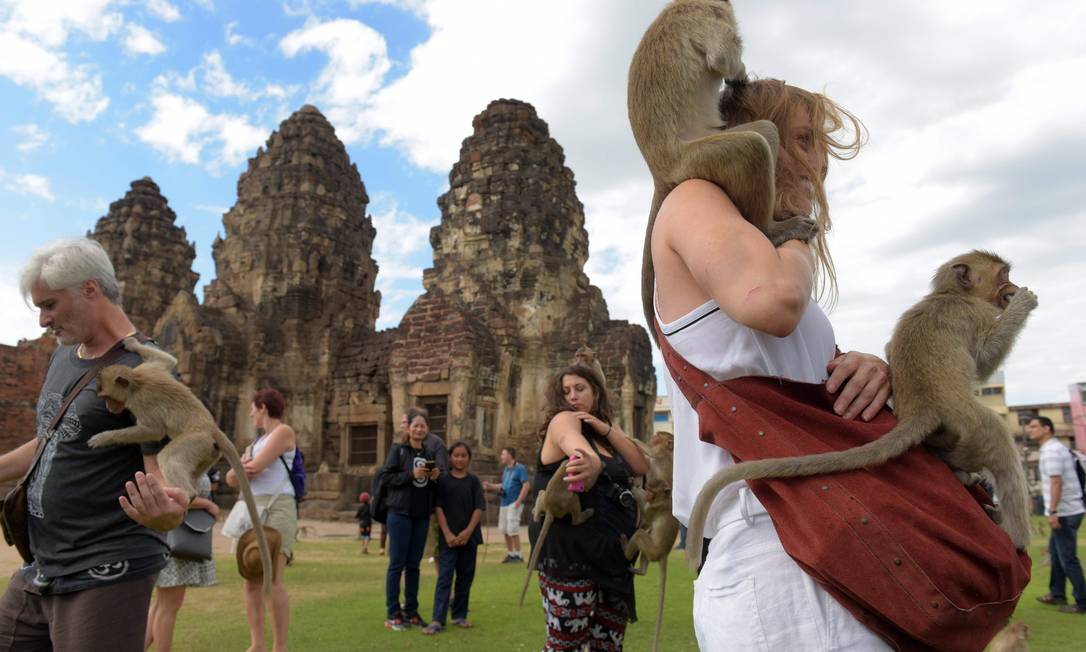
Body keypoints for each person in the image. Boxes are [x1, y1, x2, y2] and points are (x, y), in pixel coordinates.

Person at [649, 79, 899, 649]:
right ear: (754, 141)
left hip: (836, 529)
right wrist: (801, 232)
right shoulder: (692, 198)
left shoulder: (771, 252)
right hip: (768, 536)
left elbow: (793, 366)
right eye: (803, 141)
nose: (819, 164)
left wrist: (869, 372)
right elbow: (771, 302)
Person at [0, 238, 188, 651]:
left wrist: (169, 512)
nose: (43, 321)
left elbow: (164, 475)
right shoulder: (64, 356)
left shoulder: (145, 372)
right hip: (42, 564)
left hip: (106, 570)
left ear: (89, 289)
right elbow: (54, 439)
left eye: (50, 305)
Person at [528, 363, 649, 651]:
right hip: (572, 555)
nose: (572, 396)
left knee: (608, 643)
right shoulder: (563, 420)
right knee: (566, 643)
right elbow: (573, 443)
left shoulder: (604, 433)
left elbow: (640, 465)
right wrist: (589, 460)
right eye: (566, 391)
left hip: (612, 555)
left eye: (580, 388)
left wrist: (606, 428)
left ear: (595, 391)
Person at [225, 388, 298, 652]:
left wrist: (243, 466)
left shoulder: (283, 432)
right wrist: (241, 468)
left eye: (253, 409)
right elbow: (230, 478)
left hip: (277, 506)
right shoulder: (255, 443)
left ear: (263, 407)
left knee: (272, 579)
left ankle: (280, 647)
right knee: (251, 580)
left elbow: (254, 468)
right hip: (252, 508)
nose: (251, 414)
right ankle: (257, 644)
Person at [145, 473, 219, 651]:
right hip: (175, 538)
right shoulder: (176, 462)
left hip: (177, 536)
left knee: (163, 603)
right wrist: (207, 504)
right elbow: (170, 495)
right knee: (169, 605)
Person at [382, 407, 440, 631]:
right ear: (408, 428)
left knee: (414, 565)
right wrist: (409, 475)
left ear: (427, 429)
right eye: (415, 425)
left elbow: (430, 487)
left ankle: (411, 610)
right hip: (399, 513)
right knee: (397, 564)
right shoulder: (398, 451)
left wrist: (435, 478)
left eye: (422, 426)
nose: (419, 429)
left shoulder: (428, 454)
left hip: (420, 514)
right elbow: (386, 478)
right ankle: (393, 612)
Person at [423, 441, 485, 635]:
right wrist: (448, 534)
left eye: (463, 456)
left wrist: (467, 532)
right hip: (448, 539)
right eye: (456, 455)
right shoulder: (443, 481)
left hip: (469, 538)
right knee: (445, 578)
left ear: (469, 459)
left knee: (465, 578)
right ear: (450, 458)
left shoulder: (473, 481)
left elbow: (478, 508)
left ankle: (459, 615)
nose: (460, 459)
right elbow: (438, 508)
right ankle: (437, 619)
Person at [1028, 416, 1086, 614]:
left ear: (1047, 428)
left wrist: (1053, 511)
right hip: (1069, 510)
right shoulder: (1055, 448)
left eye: (1034, 426)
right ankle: (1057, 593)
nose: (1030, 430)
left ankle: (1082, 602)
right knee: (1055, 552)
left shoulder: (1052, 451)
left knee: (1068, 559)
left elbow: (1056, 482)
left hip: (1064, 512)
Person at [482, 447, 530, 563]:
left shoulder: (520, 468)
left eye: (503, 454)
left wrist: (519, 501)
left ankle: (518, 555)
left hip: (514, 503)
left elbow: (526, 485)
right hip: (504, 503)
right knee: (504, 530)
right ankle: (511, 554)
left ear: (510, 455)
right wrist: (490, 485)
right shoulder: (506, 469)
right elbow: (503, 485)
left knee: (512, 529)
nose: (501, 457)